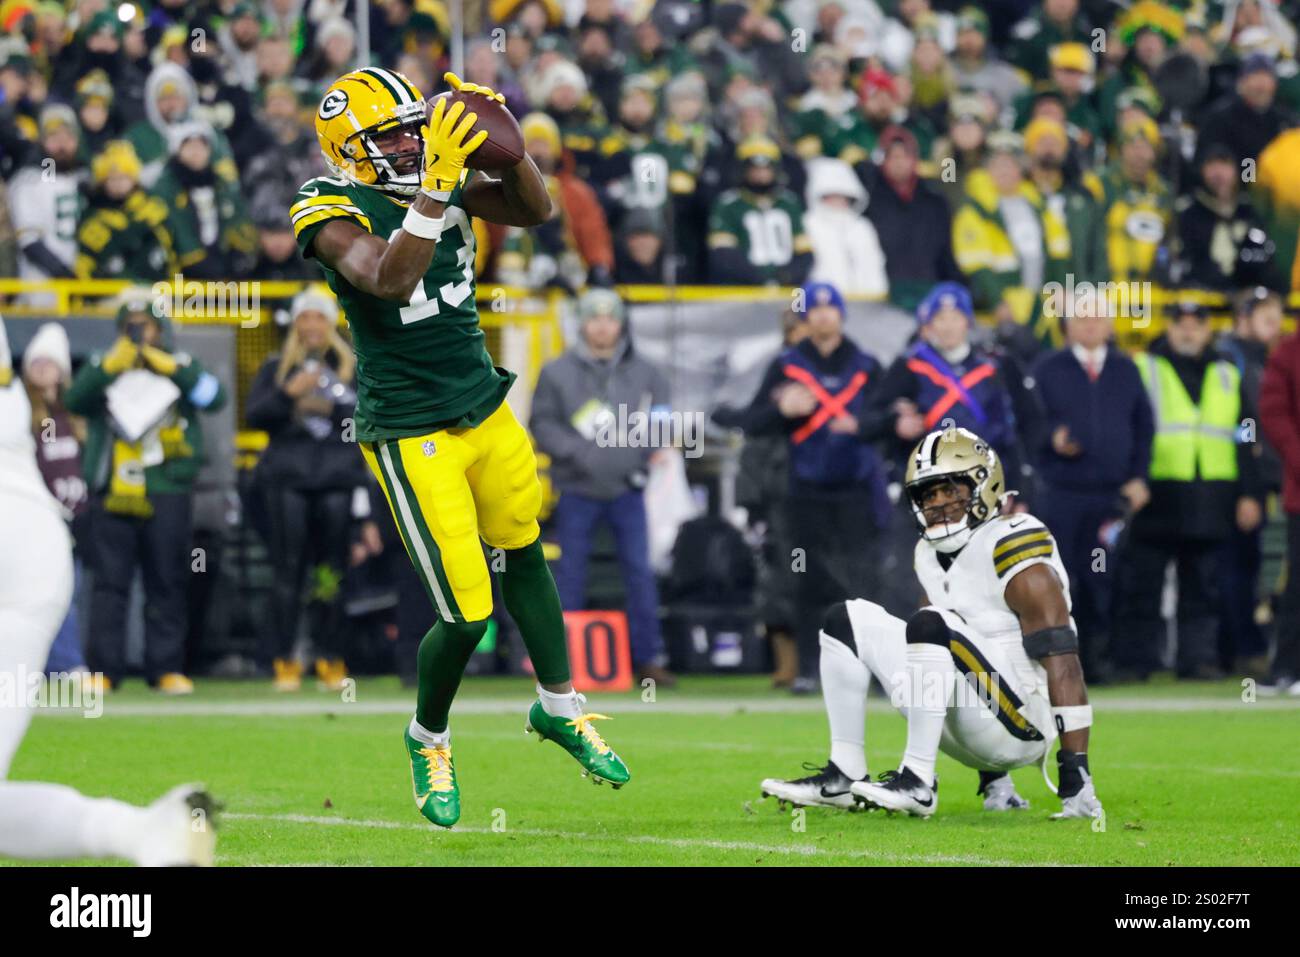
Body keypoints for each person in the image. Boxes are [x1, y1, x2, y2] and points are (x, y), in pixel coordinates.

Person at [293, 68, 630, 829]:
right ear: (351, 149)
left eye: (416, 127)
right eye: (392, 135)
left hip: (482, 402)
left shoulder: (433, 175)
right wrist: (437, 185)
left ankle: (559, 706)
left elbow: (534, 210)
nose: (412, 142)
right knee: (468, 614)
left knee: (525, 551)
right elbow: (387, 278)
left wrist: (509, 150)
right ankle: (428, 736)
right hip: (411, 429)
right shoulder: (326, 204)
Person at [760, 427, 1103, 820]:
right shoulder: (927, 552)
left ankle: (919, 781)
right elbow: (940, 657)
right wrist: (994, 780)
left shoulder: (1015, 540)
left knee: (931, 622)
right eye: (928, 494)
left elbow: (1063, 660)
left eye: (949, 490)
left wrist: (1076, 772)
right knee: (847, 619)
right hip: (970, 722)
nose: (938, 504)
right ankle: (844, 772)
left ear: (983, 485)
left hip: (1024, 725)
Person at [0, 314, 218, 866]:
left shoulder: (175, 366)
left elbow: (211, 395)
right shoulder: (94, 372)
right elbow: (77, 390)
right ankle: (137, 833)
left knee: (159, 582)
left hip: (17, 546)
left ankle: (136, 830)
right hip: (28, 541)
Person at [713, 282, 889, 692]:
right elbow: (752, 422)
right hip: (804, 491)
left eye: (832, 308)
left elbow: (890, 420)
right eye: (816, 309)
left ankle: (875, 668)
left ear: (842, 315)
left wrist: (861, 425)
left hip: (857, 490)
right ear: (805, 317)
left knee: (865, 583)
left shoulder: (867, 364)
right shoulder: (788, 364)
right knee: (807, 580)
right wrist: (781, 409)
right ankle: (811, 669)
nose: (825, 316)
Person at [64, 290, 227, 694]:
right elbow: (74, 400)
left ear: (161, 328)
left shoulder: (180, 365)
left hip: (165, 486)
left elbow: (214, 397)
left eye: (147, 325)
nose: (140, 333)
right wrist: (107, 368)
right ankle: (105, 670)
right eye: (131, 326)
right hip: (113, 487)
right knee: (110, 584)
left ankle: (166, 667)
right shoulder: (107, 365)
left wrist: (171, 368)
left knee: (167, 580)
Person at [529, 289, 675, 687]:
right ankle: (559, 665)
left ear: (621, 324)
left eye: (610, 319)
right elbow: (540, 423)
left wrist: (638, 452)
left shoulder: (647, 372)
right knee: (570, 576)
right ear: (582, 323)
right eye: (594, 318)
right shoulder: (556, 371)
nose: (602, 326)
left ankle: (648, 658)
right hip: (577, 488)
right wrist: (579, 452)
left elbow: (663, 418)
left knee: (640, 574)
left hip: (628, 488)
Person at [1112, 299, 1264, 680]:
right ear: (1169, 327)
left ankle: (1197, 659)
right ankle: (1136, 661)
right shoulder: (1144, 368)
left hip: (1211, 494)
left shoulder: (1228, 374)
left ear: (1208, 329)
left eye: (1197, 324)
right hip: (1157, 491)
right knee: (1143, 582)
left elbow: (1246, 435)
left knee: (1203, 586)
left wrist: (1250, 492)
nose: (1188, 330)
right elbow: (1128, 427)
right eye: (1180, 323)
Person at [246, 287, 371, 693]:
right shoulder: (276, 367)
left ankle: (330, 657)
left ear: (330, 322)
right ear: (296, 324)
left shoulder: (353, 363)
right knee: (287, 572)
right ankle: (284, 659)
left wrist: (329, 407)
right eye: (305, 317)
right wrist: (289, 395)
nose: (312, 325)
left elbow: (367, 417)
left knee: (330, 575)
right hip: (287, 483)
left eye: (319, 317)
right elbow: (255, 416)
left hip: (335, 481)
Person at [1031, 294, 1154, 679]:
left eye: (1098, 317)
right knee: (1063, 578)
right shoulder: (1047, 369)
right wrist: (1052, 438)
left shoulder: (1126, 370)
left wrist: (1140, 477)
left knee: (1102, 574)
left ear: (1111, 324)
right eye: (1082, 318)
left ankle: (1100, 661)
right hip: (1063, 495)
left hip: (1108, 499)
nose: (1090, 325)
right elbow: (1029, 423)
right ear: (1067, 325)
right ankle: (1061, 662)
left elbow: (1144, 428)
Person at [1217, 287, 1284, 677]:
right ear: (1244, 318)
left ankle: (1247, 647)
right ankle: (1241, 649)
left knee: (1254, 565)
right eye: (1266, 318)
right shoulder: (1233, 357)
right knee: (1239, 565)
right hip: (1242, 478)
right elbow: (1241, 419)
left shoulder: (1268, 357)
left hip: (1268, 477)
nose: (1274, 327)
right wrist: (1253, 443)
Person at [21, 322, 89, 676]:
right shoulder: (21, 414)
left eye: (50, 363)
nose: (42, 369)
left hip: (74, 517)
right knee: (40, 592)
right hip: (36, 517)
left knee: (68, 591)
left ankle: (64, 662)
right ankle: (53, 663)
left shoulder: (74, 415)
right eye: (37, 363)